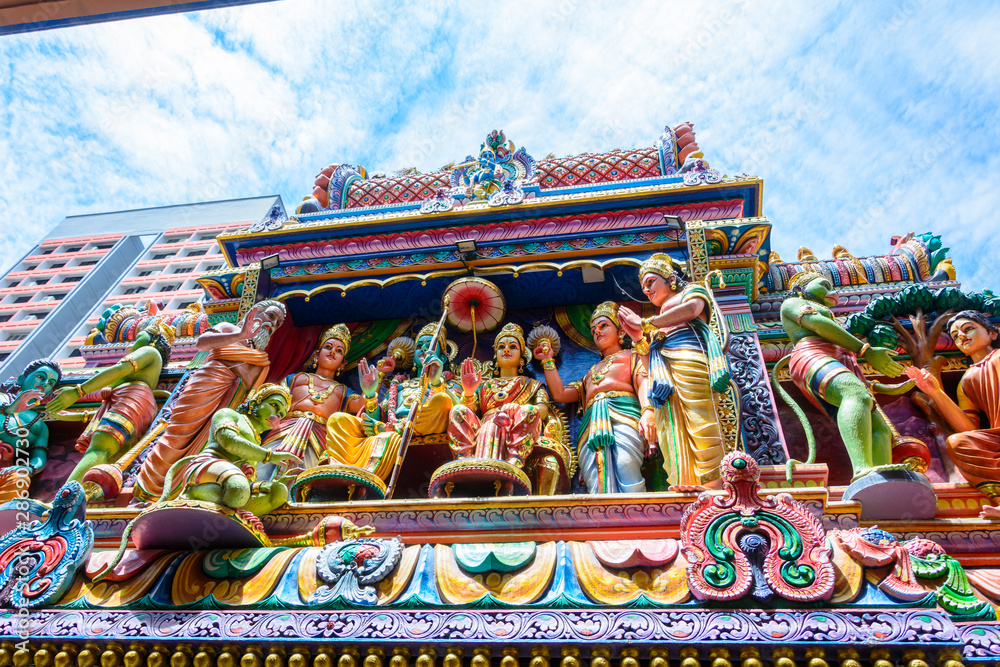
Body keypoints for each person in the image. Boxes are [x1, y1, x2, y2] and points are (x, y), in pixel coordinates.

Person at [134, 301, 286, 500]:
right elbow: (202, 343)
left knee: (209, 444)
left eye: (278, 323)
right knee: (178, 434)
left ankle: (184, 492)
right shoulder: (228, 329)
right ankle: (147, 492)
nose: (273, 324)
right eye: (271, 316)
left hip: (230, 403)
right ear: (255, 312)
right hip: (208, 383)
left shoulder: (261, 359)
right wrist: (240, 335)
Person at [778, 271, 909, 479]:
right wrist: (865, 350)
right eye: (824, 285)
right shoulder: (792, 303)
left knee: (879, 426)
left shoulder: (835, 329)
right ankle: (862, 470)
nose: (832, 292)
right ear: (801, 289)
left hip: (835, 358)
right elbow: (817, 323)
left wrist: (882, 387)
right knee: (855, 395)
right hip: (812, 354)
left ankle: (883, 477)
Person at [618, 254, 728, 489]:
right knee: (669, 426)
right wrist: (638, 338)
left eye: (651, 282)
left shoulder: (691, 293)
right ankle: (684, 481)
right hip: (663, 376)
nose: (647, 290)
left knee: (700, 419)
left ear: (671, 279)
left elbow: (692, 309)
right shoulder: (657, 322)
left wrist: (644, 324)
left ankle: (714, 485)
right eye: (643, 287)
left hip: (689, 359)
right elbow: (649, 365)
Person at [535, 302, 655, 494]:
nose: (597, 332)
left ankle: (634, 510)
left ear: (621, 332)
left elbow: (644, 381)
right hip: (592, 425)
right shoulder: (590, 373)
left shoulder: (632, 356)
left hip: (624, 416)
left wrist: (648, 411)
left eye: (603, 326)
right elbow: (560, 394)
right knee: (595, 477)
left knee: (625, 464)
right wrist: (547, 360)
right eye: (593, 330)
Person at [324, 322, 459, 482]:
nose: (423, 349)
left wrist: (436, 382)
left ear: (442, 357)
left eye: (430, 345)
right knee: (338, 420)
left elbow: (458, 412)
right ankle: (339, 474)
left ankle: (395, 430)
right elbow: (378, 417)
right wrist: (370, 394)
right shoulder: (399, 385)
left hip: (426, 425)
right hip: (389, 428)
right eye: (419, 346)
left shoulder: (450, 383)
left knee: (442, 400)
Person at [46, 322, 170, 486]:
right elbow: (113, 383)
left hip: (132, 398)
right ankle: (84, 496)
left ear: (153, 340)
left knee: (100, 447)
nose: (132, 344)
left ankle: (66, 495)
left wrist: (78, 391)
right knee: (111, 458)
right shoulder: (143, 371)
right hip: (134, 401)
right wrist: (70, 415)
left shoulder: (150, 351)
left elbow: (119, 370)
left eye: (139, 337)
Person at [159, 383, 301, 517]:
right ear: (253, 404)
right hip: (212, 465)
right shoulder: (229, 414)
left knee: (278, 491)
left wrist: (275, 482)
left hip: (235, 482)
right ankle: (192, 494)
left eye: (281, 414)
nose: (276, 416)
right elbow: (229, 441)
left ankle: (231, 514)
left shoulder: (257, 440)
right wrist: (269, 456)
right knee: (238, 489)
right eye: (274, 406)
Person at [907, 310, 1000, 502]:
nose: (962, 336)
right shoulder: (966, 382)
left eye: (968, 329)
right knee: (957, 442)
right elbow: (969, 428)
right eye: (956, 336)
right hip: (996, 440)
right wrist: (935, 392)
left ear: (992, 333)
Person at [261, 324, 370, 476]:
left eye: (339, 351)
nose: (333, 351)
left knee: (302, 476)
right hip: (284, 428)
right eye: (328, 347)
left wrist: (369, 389)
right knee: (263, 466)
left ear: (342, 364)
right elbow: (273, 397)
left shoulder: (342, 391)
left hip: (318, 438)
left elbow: (360, 405)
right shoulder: (296, 378)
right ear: (316, 355)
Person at [449, 323, 550, 468]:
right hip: (484, 427)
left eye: (513, 347)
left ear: (522, 358)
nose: (506, 350)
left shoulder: (533, 385)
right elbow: (469, 413)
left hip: (515, 426)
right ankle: (463, 457)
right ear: (496, 356)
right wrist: (469, 391)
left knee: (530, 410)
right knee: (458, 410)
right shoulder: (484, 386)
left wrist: (517, 409)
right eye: (501, 347)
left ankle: (515, 458)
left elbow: (543, 411)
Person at [0, 359, 62, 500]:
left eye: (50, 383)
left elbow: (39, 457)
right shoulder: (3, 399)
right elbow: (4, 407)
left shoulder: (39, 425)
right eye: (40, 377)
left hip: (4, 470)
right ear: (22, 379)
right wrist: (11, 408)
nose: (44, 384)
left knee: (20, 479)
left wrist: (27, 469)